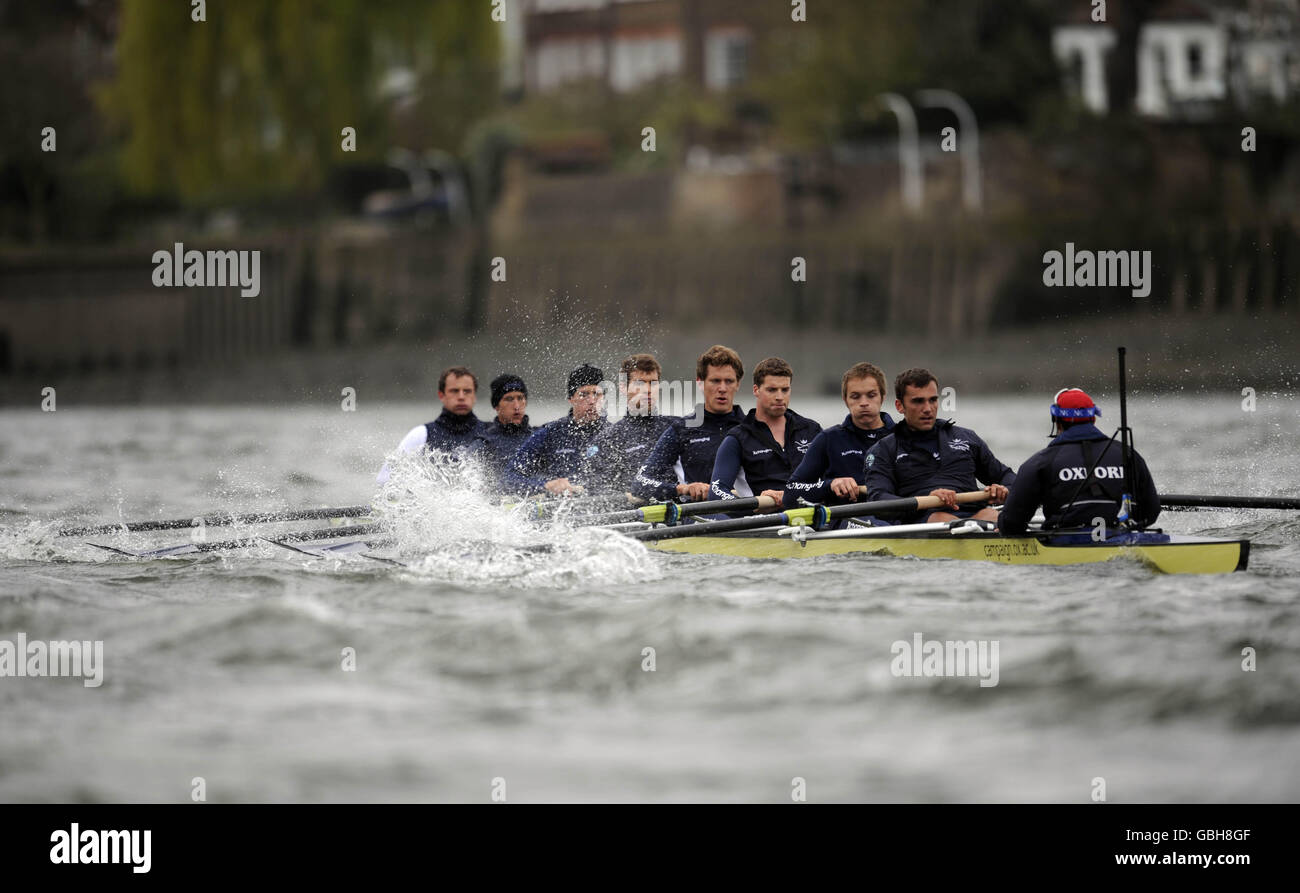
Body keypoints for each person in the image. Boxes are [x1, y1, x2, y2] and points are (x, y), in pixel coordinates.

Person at [998, 388, 1160, 535]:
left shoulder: (1039, 463)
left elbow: (1012, 524)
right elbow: (1151, 512)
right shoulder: (1128, 454)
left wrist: (999, 522)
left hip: (1063, 546)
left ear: (1057, 421)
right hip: (1119, 540)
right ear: (1094, 419)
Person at [864, 368, 1015, 523]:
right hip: (926, 520)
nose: (928, 409)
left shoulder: (967, 438)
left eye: (933, 400)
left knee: (993, 516)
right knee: (941, 519)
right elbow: (879, 499)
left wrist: (1004, 489)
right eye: (918, 401)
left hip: (977, 514)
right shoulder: (883, 450)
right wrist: (926, 500)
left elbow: (1008, 477)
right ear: (900, 406)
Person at [632, 344, 746, 502]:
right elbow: (639, 483)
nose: (722, 388)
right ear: (700, 383)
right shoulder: (682, 429)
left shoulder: (754, 428)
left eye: (729, 381)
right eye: (715, 381)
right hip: (699, 516)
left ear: (738, 384)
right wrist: (683, 489)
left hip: (750, 514)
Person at [710, 357, 822, 505]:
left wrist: (791, 495)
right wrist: (756, 504)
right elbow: (716, 492)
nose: (779, 397)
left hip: (814, 519)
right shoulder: (737, 440)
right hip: (763, 521)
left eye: (785, 390)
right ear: (756, 390)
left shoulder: (811, 430)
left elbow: (833, 479)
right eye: (772, 390)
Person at [783, 361, 896, 508]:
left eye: (871, 395)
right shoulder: (829, 439)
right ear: (845, 400)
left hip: (898, 515)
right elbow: (790, 493)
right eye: (855, 396)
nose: (864, 403)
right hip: (850, 518)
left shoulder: (903, 438)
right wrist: (830, 485)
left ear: (883, 396)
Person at [505, 364, 610, 496]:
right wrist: (545, 486)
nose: (592, 401)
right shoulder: (550, 433)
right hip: (560, 510)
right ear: (571, 399)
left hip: (602, 509)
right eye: (584, 395)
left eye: (597, 394)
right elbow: (509, 478)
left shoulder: (614, 434)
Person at [376, 365, 488, 485]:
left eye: (467, 391)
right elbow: (384, 480)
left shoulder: (490, 433)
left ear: (474, 396)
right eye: (454, 391)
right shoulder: (420, 435)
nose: (461, 397)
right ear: (441, 395)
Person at [586, 354, 676, 494]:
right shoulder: (609, 439)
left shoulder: (677, 428)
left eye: (653, 383)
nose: (647, 389)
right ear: (623, 387)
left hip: (680, 509)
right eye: (640, 383)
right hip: (634, 511)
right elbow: (595, 487)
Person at [472, 373, 533, 486]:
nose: (516, 406)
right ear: (496, 406)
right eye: (509, 399)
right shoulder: (485, 444)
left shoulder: (539, 437)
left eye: (520, 398)